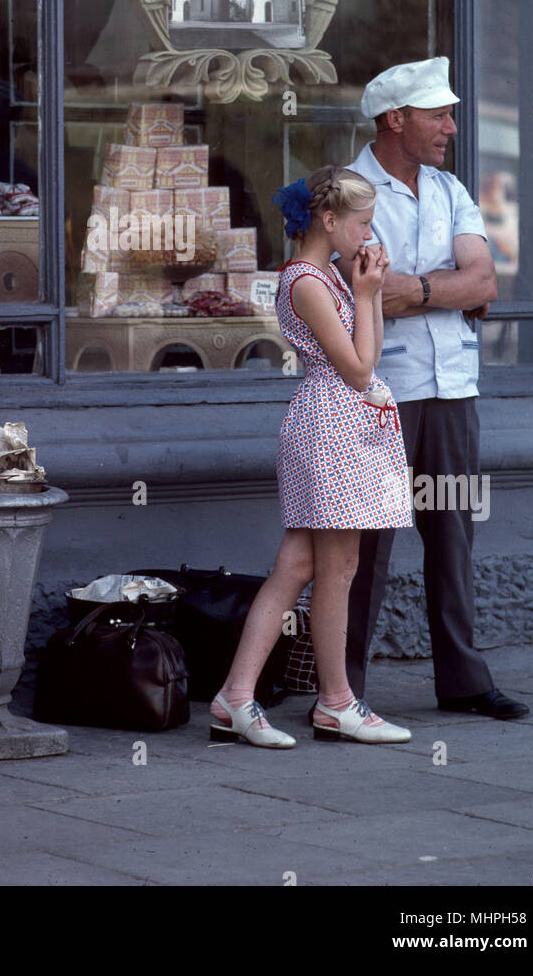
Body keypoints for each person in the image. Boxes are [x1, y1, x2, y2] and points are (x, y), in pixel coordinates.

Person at [343, 58, 528, 720]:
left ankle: (463, 680)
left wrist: (418, 289)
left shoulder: (450, 189)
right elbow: (369, 293)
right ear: (397, 120)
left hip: (453, 389)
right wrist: (443, 288)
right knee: (364, 546)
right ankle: (344, 689)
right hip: (381, 391)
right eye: (438, 114)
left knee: (453, 537)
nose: (451, 126)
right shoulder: (350, 192)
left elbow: (483, 284)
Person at [209, 166, 414, 747]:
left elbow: (365, 354)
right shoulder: (307, 281)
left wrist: (366, 291)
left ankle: (237, 698)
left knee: (299, 566)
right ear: (329, 220)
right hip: (332, 426)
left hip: (341, 423)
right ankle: (336, 702)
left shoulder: (328, 275)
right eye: (363, 222)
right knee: (338, 569)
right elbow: (359, 368)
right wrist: (369, 292)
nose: (370, 234)